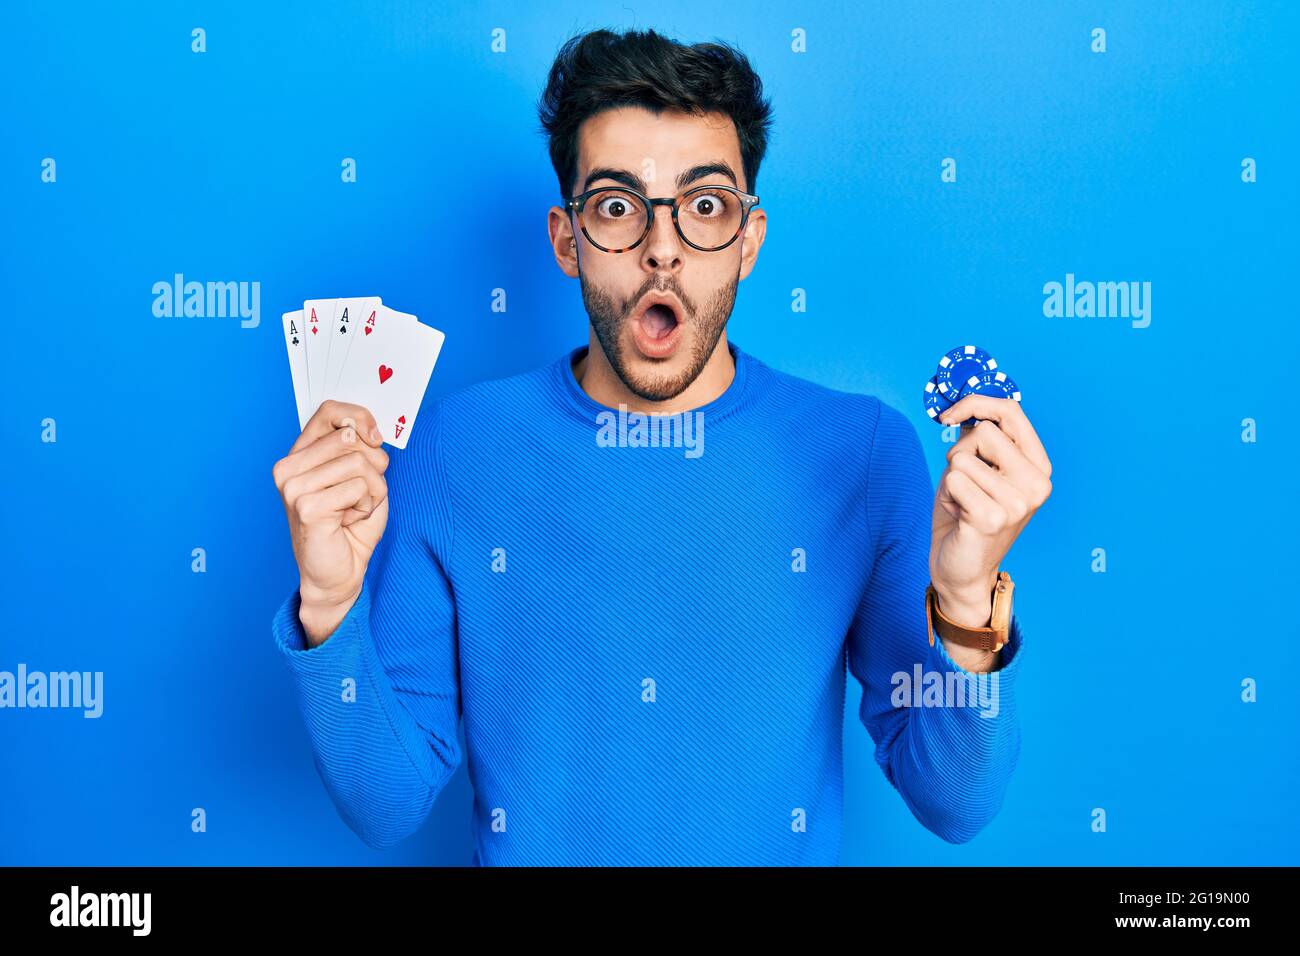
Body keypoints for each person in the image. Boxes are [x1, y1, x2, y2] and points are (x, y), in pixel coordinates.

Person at [270, 28, 1052, 865]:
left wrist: (967, 606)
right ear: (566, 240)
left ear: (750, 242)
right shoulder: (454, 451)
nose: (663, 248)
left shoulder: (863, 455)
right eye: (616, 207)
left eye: (705, 206)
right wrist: (328, 604)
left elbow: (954, 804)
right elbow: (385, 805)